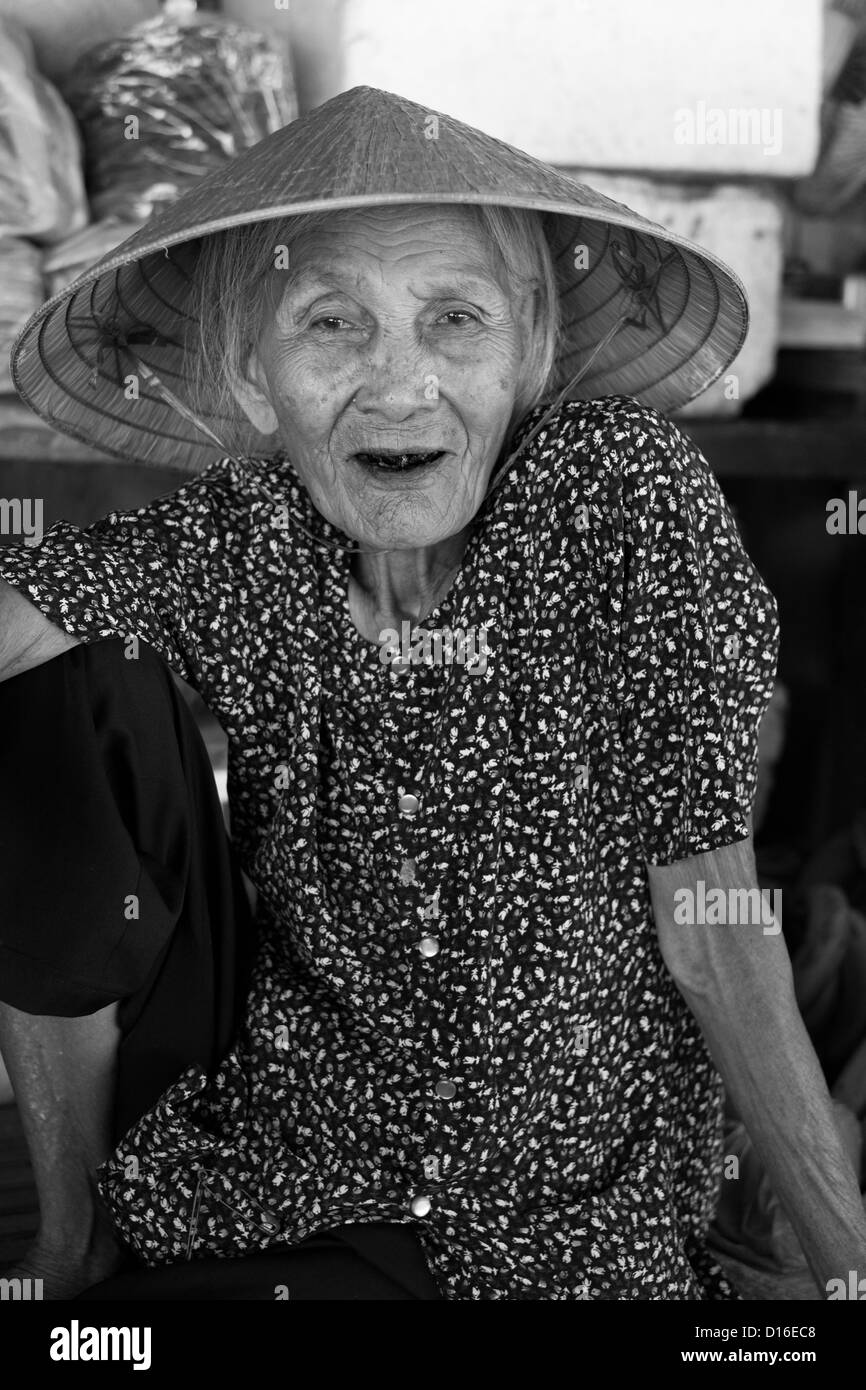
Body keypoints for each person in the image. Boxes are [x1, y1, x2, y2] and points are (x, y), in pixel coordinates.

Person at [0, 85, 863, 1302]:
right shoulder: (254, 527)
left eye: (453, 320)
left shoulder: (613, 495)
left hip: (556, 1212)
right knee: (51, 685)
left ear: (530, 352)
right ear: (255, 380)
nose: (398, 384)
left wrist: (844, 1273)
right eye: (331, 325)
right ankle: (74, 1226)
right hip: (293, 1150)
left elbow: (712, 925)